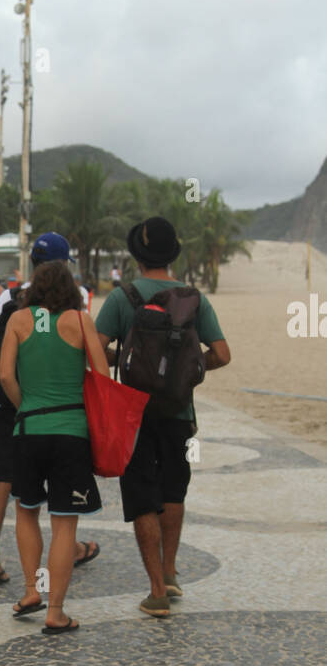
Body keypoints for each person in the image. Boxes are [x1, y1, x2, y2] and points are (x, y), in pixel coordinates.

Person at [95, 216, 230, 616]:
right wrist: (187, 373)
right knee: (174, 490)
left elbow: (95, 346)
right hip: (180, 412)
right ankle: (170, 572)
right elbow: (222, 354)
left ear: (137, 256)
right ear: (173, 255)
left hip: (133, 414)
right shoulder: (194, 299)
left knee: (141, 496)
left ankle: (156, 591)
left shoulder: (124, 298)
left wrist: (124, 362)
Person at [0, 234, 100, 585]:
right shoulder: (79, 312)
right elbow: (97, 374)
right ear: (64, 267)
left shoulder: (9, 301)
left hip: (21, 416)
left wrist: (16, 404)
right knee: (64, 515)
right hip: (67, 420)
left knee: (11, 487)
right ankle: (57, 602)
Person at [0, 260, 109, 630]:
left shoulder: (17, 320)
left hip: (29, 428)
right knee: (65, 526)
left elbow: (4, 375)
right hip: (70, 432)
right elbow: (102, 375)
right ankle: (55, 612)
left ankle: (31, 590)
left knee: (26, 510)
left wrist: (25, 405)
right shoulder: (80, 321)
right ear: (70, 288)